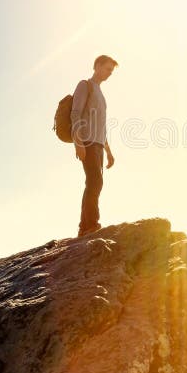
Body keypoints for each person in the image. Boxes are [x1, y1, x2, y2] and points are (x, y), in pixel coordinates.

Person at [70, 55, 118, 237]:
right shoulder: (85, 85)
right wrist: (78, 142)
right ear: (97, 66)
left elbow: (102, 126)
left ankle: (88, 224)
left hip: (98, 145)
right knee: (94, 182)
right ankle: (87, 226)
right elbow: (75, 114)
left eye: (111, 72)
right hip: (87, 142)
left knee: (95, 183)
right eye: (107, 69)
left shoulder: (100, 93)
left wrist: (109, 151)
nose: (109, 74)